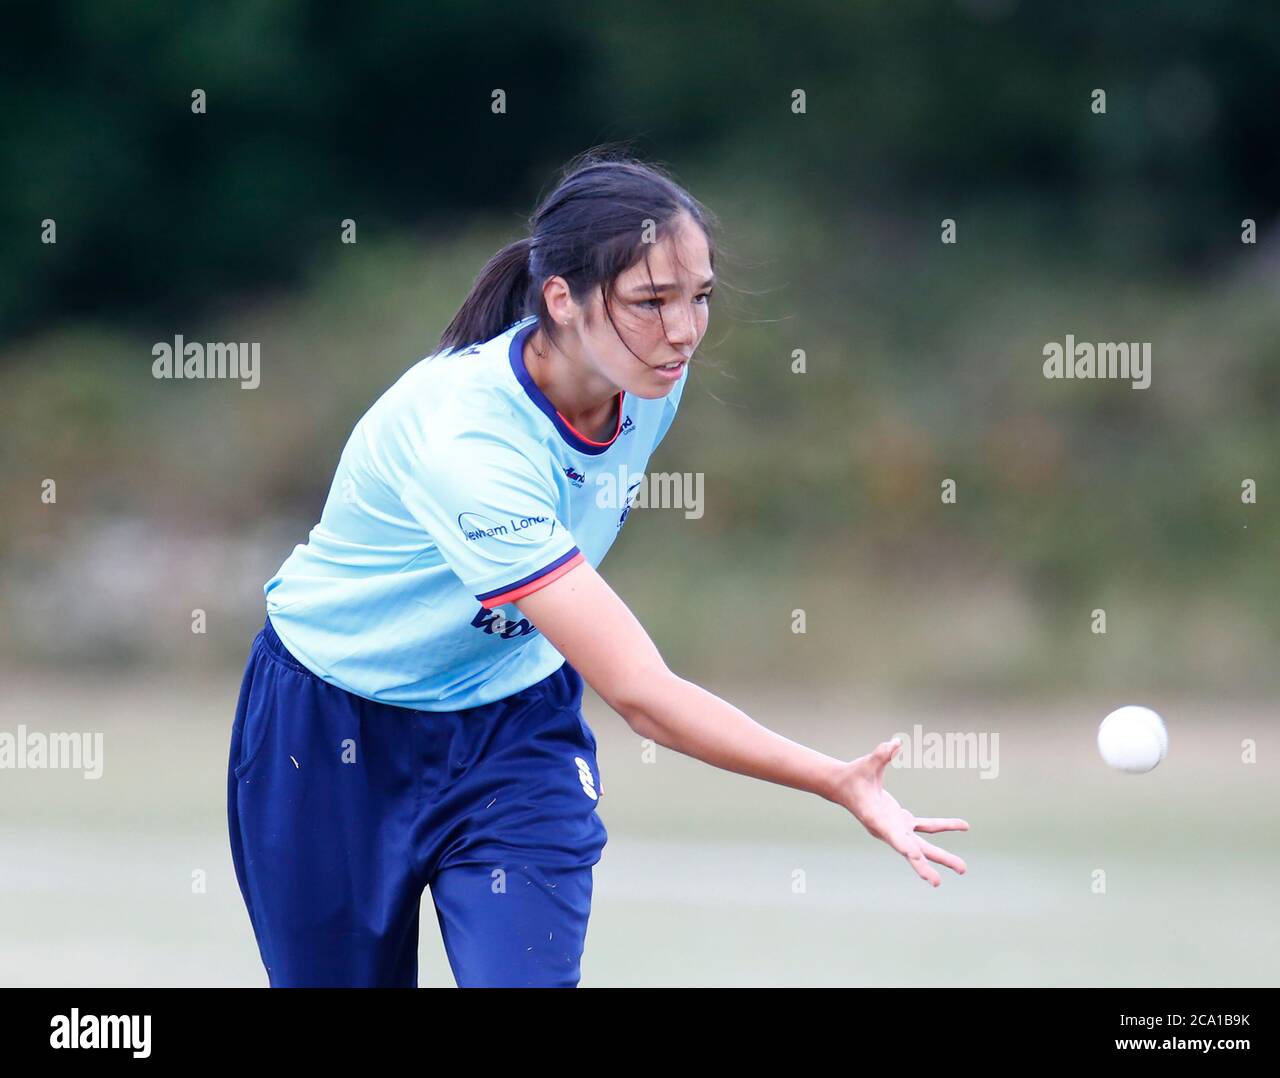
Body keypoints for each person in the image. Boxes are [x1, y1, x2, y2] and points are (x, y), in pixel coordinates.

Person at [226, 149, 969, 989]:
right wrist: (833, 779)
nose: (684, 330)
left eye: (700, 297)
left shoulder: (649, 377)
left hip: (510, 735)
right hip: (327, 739)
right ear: (562, 301)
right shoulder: (466, 443)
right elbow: (642, 697)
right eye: (651, 302)